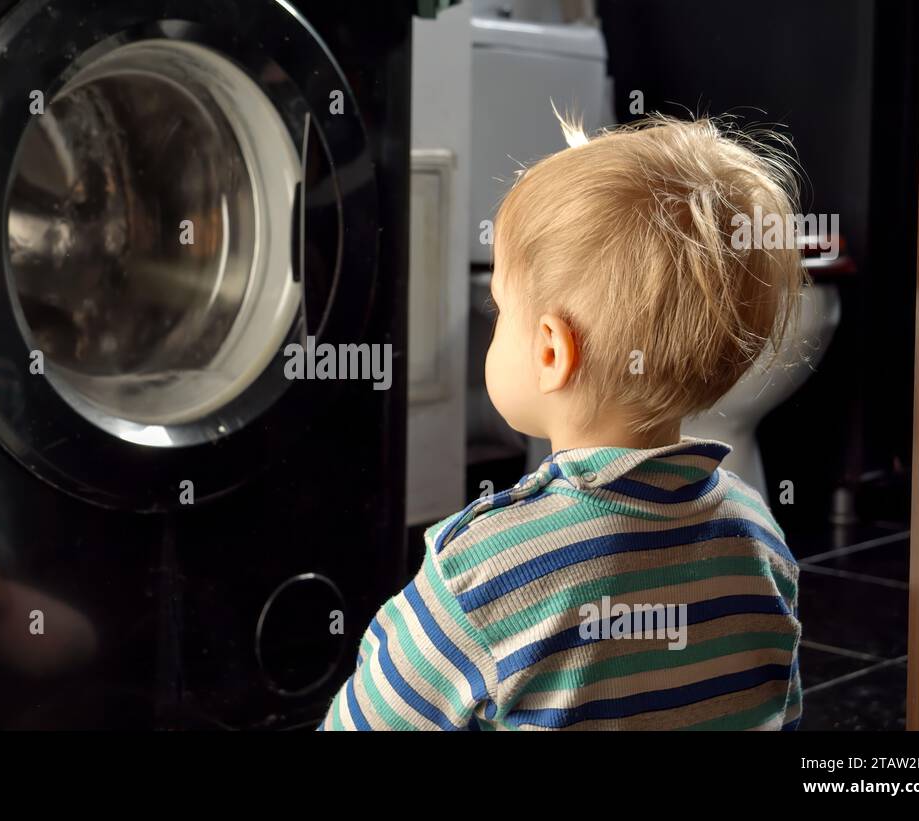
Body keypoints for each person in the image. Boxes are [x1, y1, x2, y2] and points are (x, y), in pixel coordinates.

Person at [320, 113, 804, 730]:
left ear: (552, 351)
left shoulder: (484, 570)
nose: (492, 324)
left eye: (499, 308)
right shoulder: (758, 537)